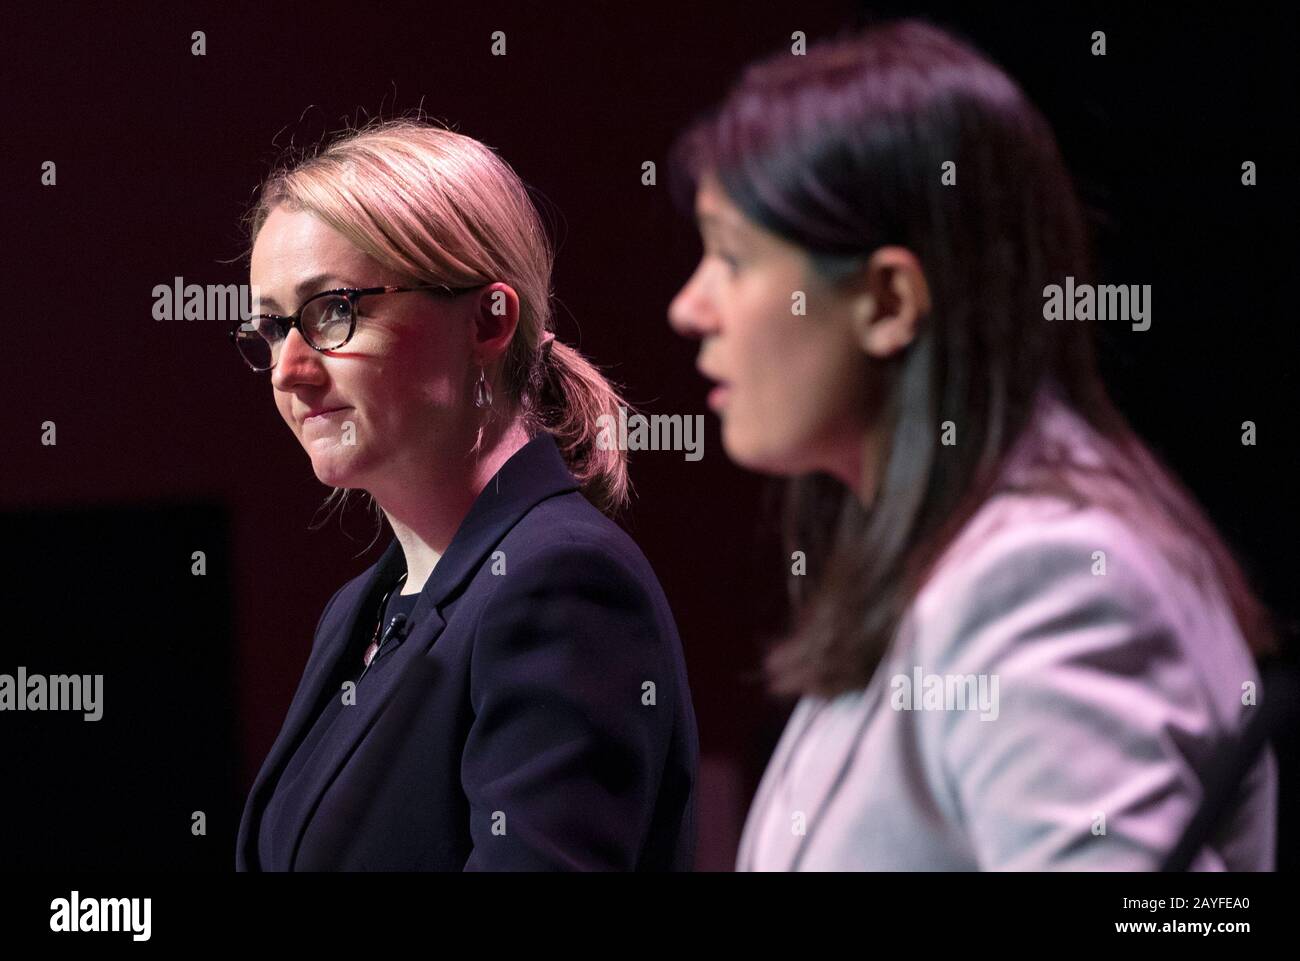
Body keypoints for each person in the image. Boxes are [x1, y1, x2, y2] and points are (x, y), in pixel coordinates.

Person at [667, 20, 1278, 870]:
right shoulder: (936, 555)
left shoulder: (1047, 577)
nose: (689, 308)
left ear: (887, 300)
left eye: (731, 259)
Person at [233, 118, 698, 870]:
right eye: (274, 327)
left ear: (489, 318)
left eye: (334, 312)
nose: (288, 368)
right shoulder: (359, 609)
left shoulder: (562, 581)